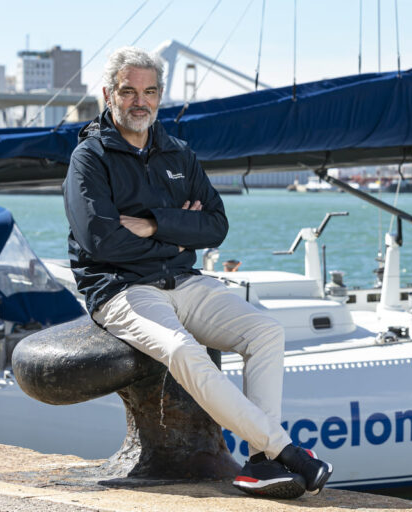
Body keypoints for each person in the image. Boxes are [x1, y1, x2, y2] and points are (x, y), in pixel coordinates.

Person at [62, 46, 332, 499]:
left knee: (265, 331)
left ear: (160, 95)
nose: (139, 102)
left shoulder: (177, 153)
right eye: (128, 92)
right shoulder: (89, 159)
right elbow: (101, 241)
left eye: (148, 91)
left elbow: (216, 226)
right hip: (121, 289)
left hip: (182, 280)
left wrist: (152, 223)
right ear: (109, 95)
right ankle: (284, 452)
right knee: (184, 351)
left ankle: (261, 465)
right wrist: (180, 230)